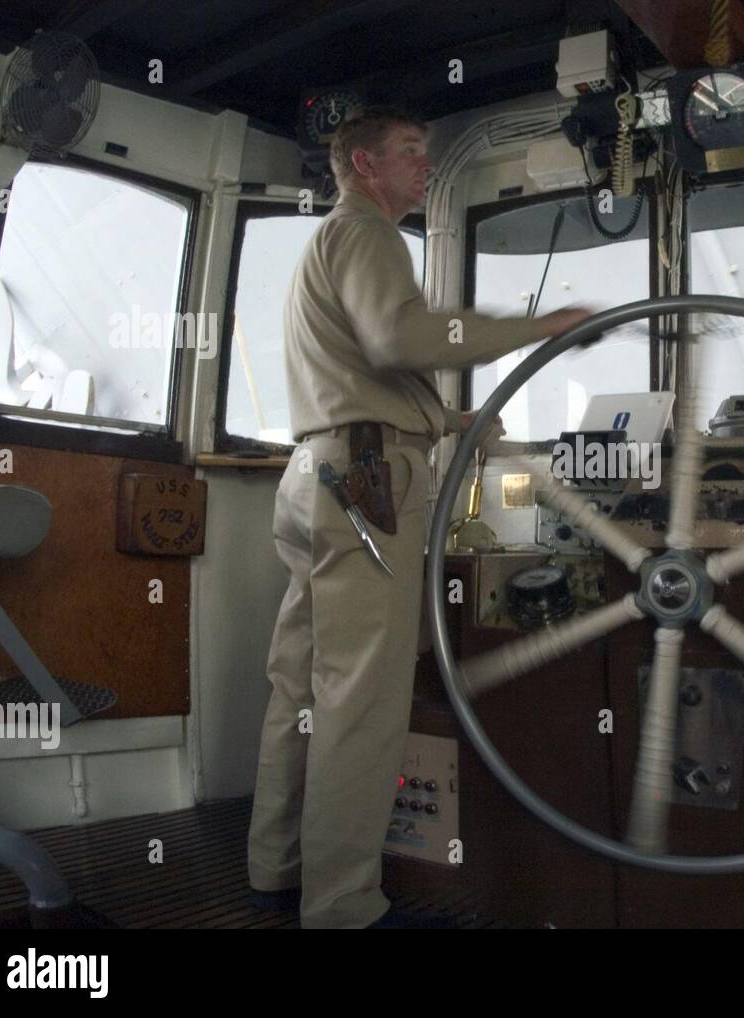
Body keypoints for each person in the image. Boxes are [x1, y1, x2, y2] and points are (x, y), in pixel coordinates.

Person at [246, 104, 590, 928]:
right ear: (364, 164)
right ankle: (342, 906)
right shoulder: (365, 232)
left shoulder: (331, 241)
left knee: (300, 680)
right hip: (365, 484)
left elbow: (363, 371)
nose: (424, 166)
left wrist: (447, 422)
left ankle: (276, 865)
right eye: (409, 152)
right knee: (360, 697)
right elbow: (398, 339)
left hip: (317, 474)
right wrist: (535, 329)